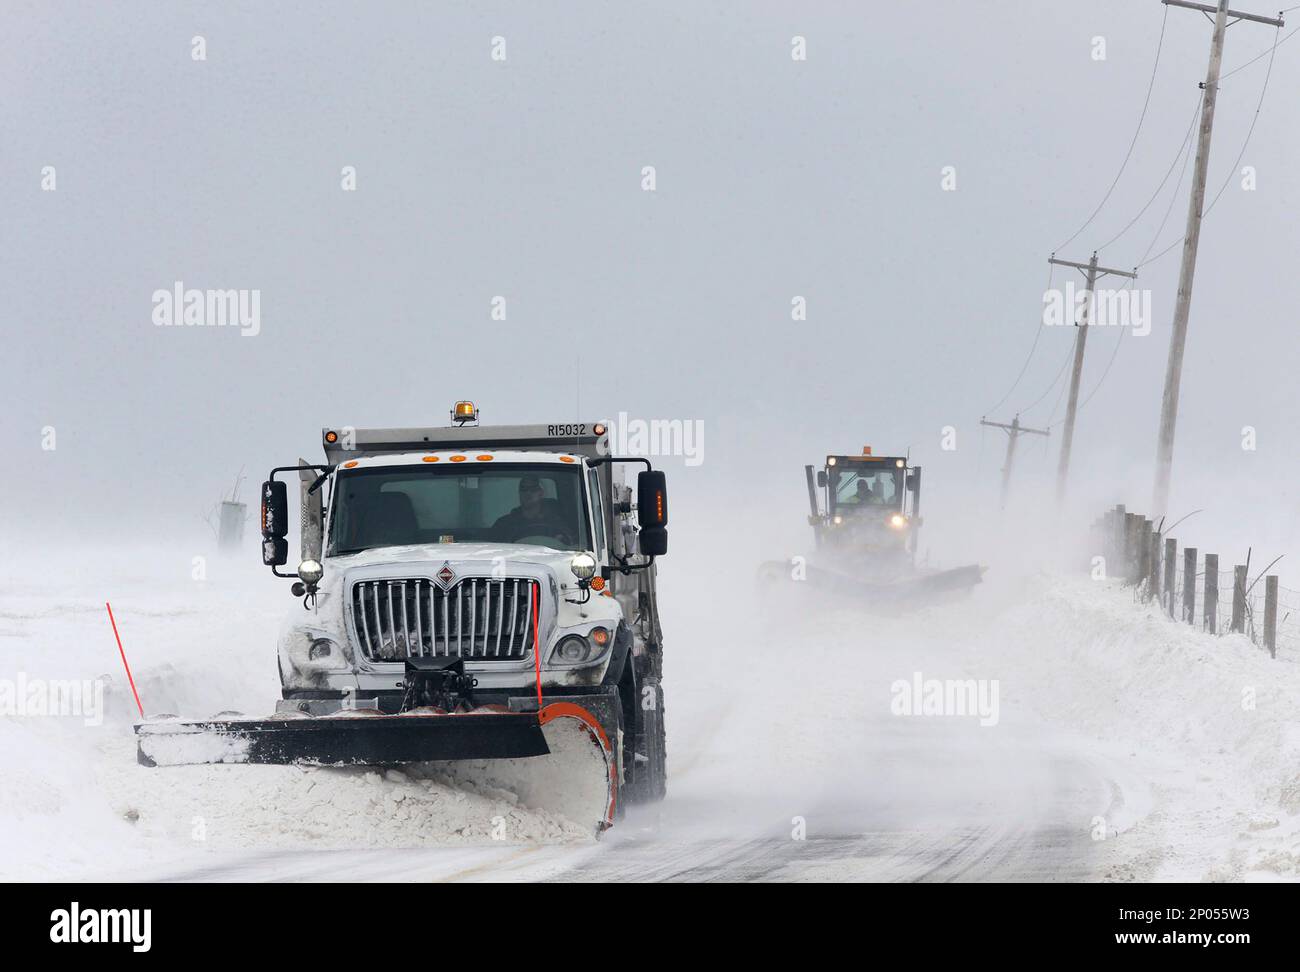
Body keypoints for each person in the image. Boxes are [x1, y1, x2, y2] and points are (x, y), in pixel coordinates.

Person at [492, 476, 573, 543]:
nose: (528, 493)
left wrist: (560, 540)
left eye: (533, 489)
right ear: (519, 493)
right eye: (524, 489)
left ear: (541, 493)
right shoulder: (504, 524)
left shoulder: (556, 522)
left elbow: (572, 543)